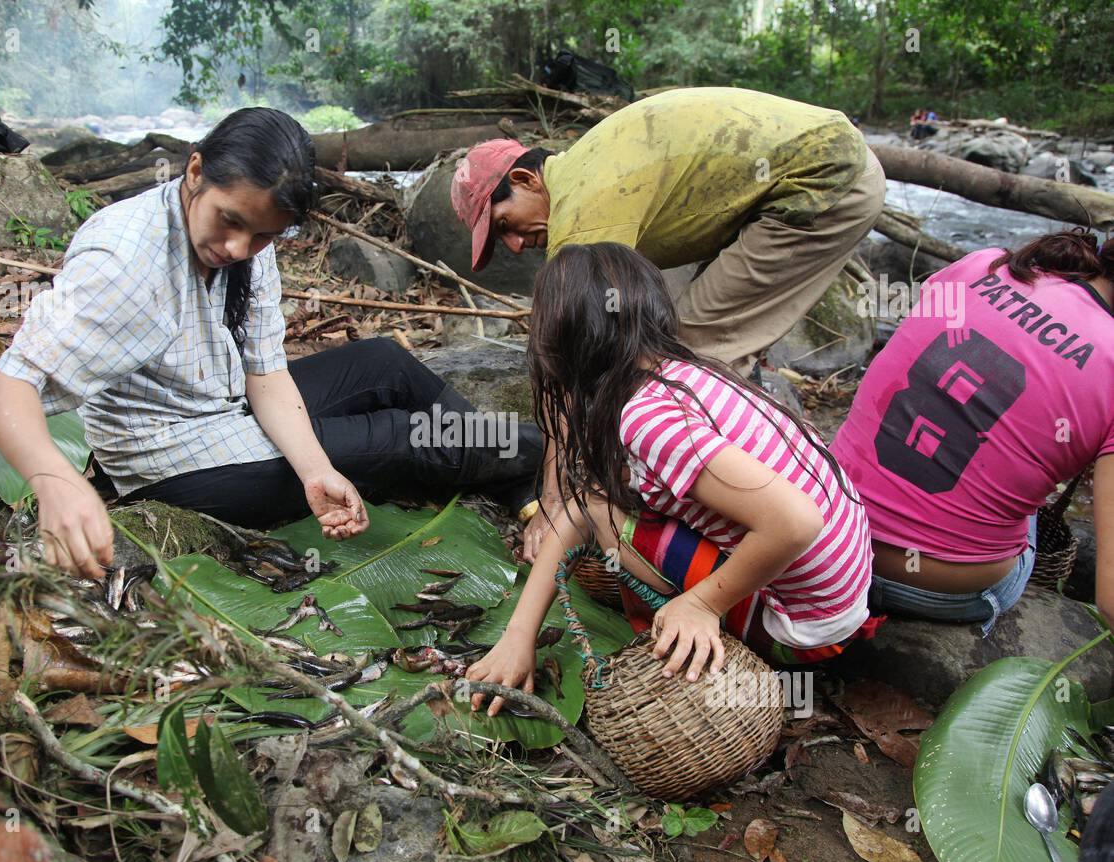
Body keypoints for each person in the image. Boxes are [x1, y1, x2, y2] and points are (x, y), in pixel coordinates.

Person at [0, 107, 541, 581]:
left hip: (227, 405)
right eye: (229, 222)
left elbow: (266, 374)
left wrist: (314, 469)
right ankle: (547, 455)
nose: (237, 247)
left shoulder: (250, 236)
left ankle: (506, 465)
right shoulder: (123, 263)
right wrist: (54, 480)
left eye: (262, 235)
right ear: (195, 171)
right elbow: (10, 385)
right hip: (174, 454)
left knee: (385, 363)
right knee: (401, 436)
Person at [451, 86, 886, 560]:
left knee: (690, 357)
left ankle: (749, 516)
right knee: (674, 348)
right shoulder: (581, 171)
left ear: (526, 179)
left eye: (504, 225)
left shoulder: (585, 216)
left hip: (825, 179)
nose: (514, 246)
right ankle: (736, 478)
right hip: (800, 172)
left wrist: (558, 501)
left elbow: (566, 370)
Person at [465, 243, 876, 715]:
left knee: (599, 509)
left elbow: (797, 521)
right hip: (840, 599)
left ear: (565, 343)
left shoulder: (647, 421)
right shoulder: (682, 374)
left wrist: (702, 604)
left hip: (798, 630)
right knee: (604, 500)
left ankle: (684, 626)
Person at [831, 229, 1114, 635]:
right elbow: (1110, 601)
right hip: (924, 584)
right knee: (1027, 499)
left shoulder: (985, 263)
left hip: (827, 531)